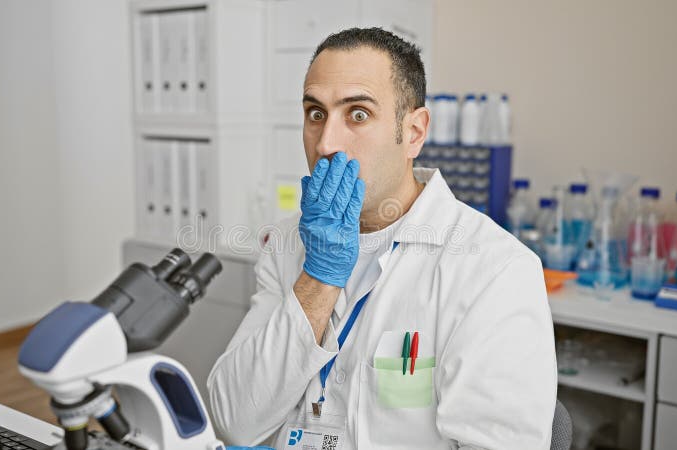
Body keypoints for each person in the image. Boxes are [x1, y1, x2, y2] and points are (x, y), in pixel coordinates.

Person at [208, 27, 556, 449]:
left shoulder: (493, 269)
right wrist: (317, 278)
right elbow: (234, 420)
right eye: (316, 113)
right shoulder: (287, 243)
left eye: (357, 114)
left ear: (413, 132)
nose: (326, 143)